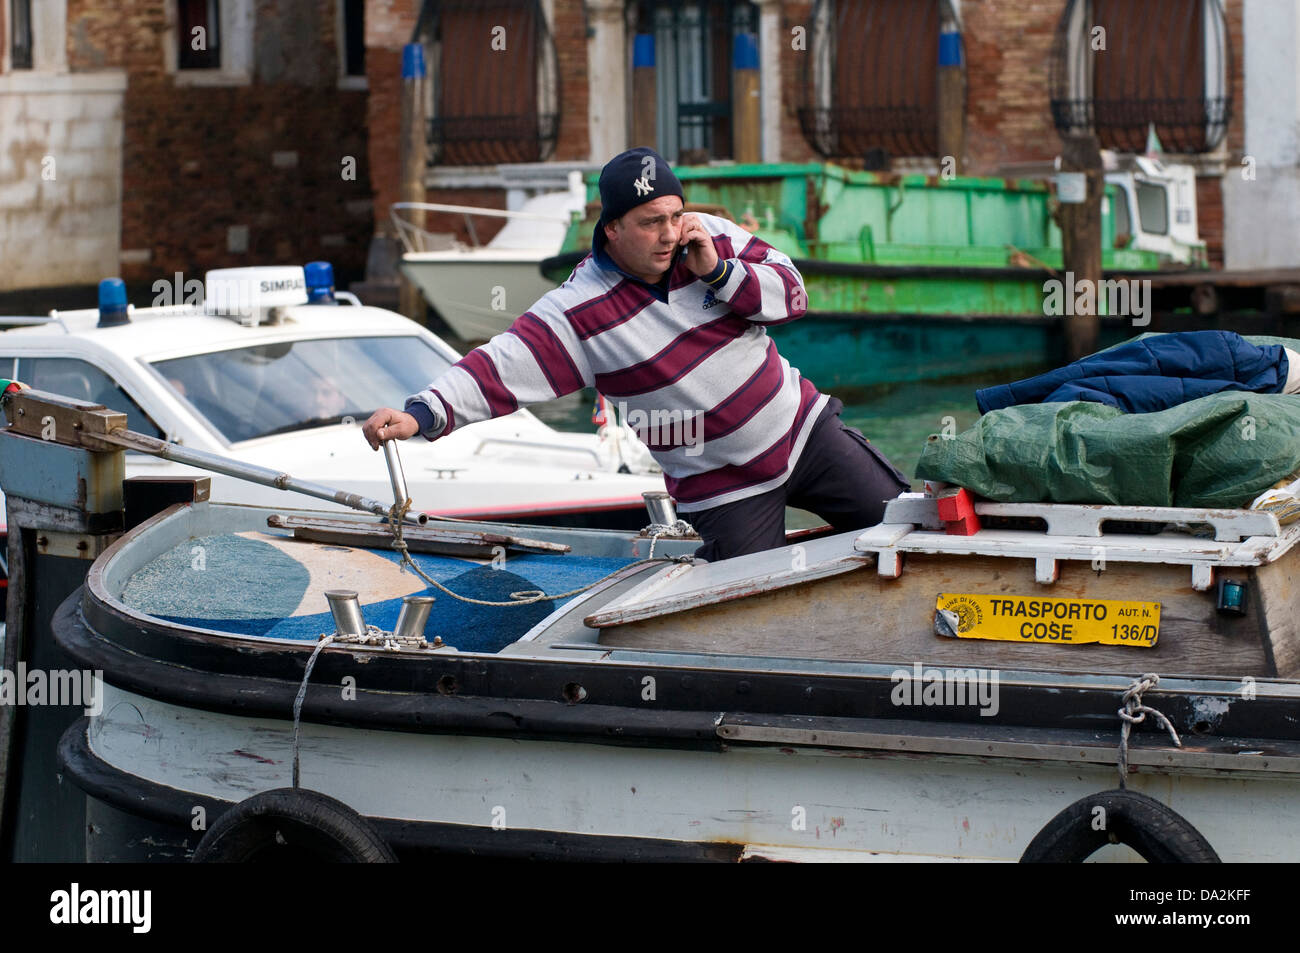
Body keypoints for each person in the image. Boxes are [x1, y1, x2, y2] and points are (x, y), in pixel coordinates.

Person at [363, 147, 908, 561]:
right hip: (722, 487)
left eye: (675, 215)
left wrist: (719, 272)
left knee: (910, 536)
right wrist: (418, 415)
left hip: (801, 431)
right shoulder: (579, 308)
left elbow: (792, 296)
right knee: (756, 610)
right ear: (613, 227)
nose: (670, 234)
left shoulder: (709, 237)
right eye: (651, 222)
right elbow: (499, 368)